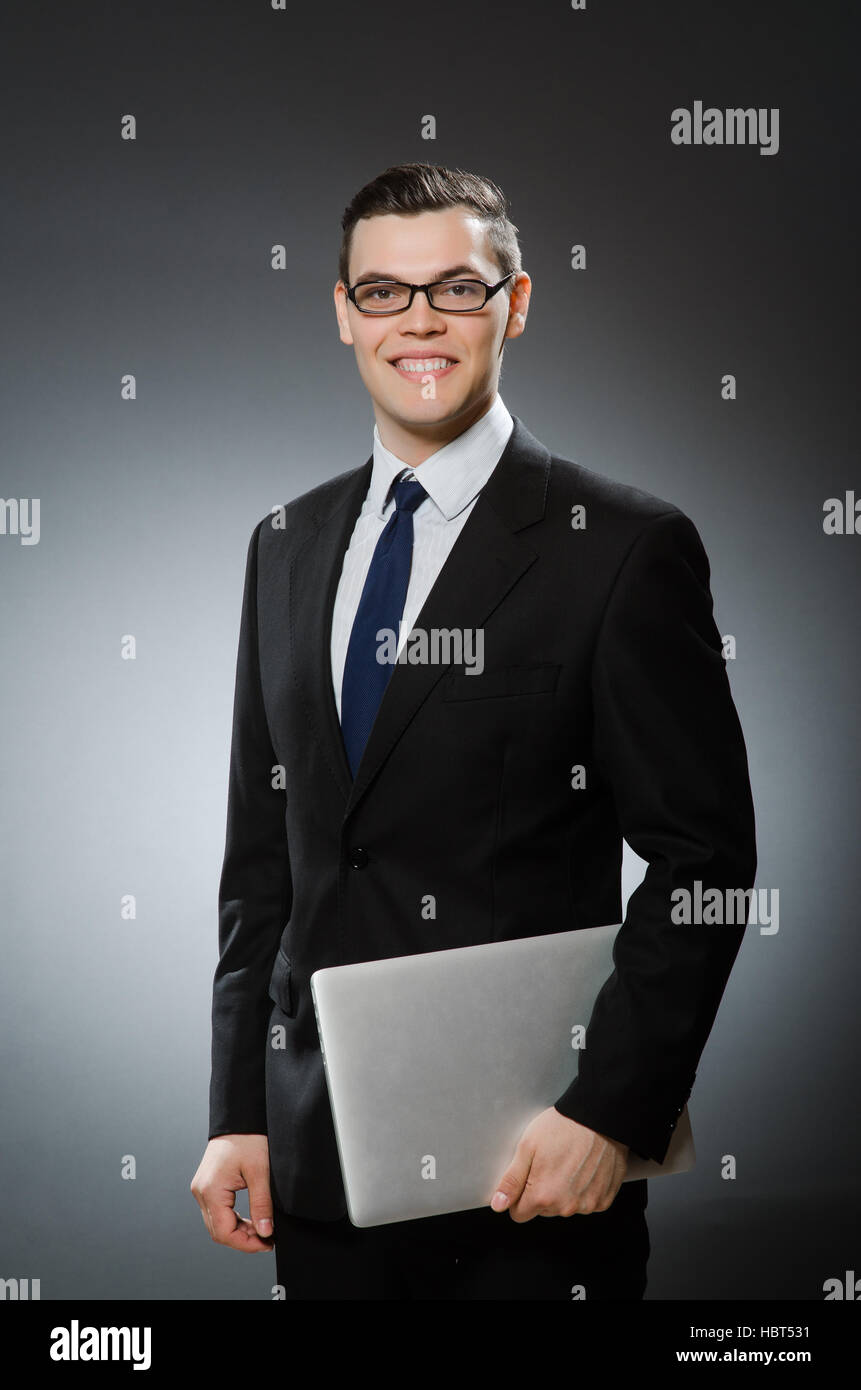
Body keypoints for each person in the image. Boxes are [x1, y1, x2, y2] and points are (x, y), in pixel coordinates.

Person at [190, 161, 757, 1300]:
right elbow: (266, 860)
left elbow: (708, 862)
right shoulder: (285, 542)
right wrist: (238, 1109)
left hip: (529, 1177)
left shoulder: (622, 546)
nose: (421, 323)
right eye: (386, 294)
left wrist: (611, 1110)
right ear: (343, 313)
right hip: (321, 1171)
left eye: (456, 287)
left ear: (517, 303)